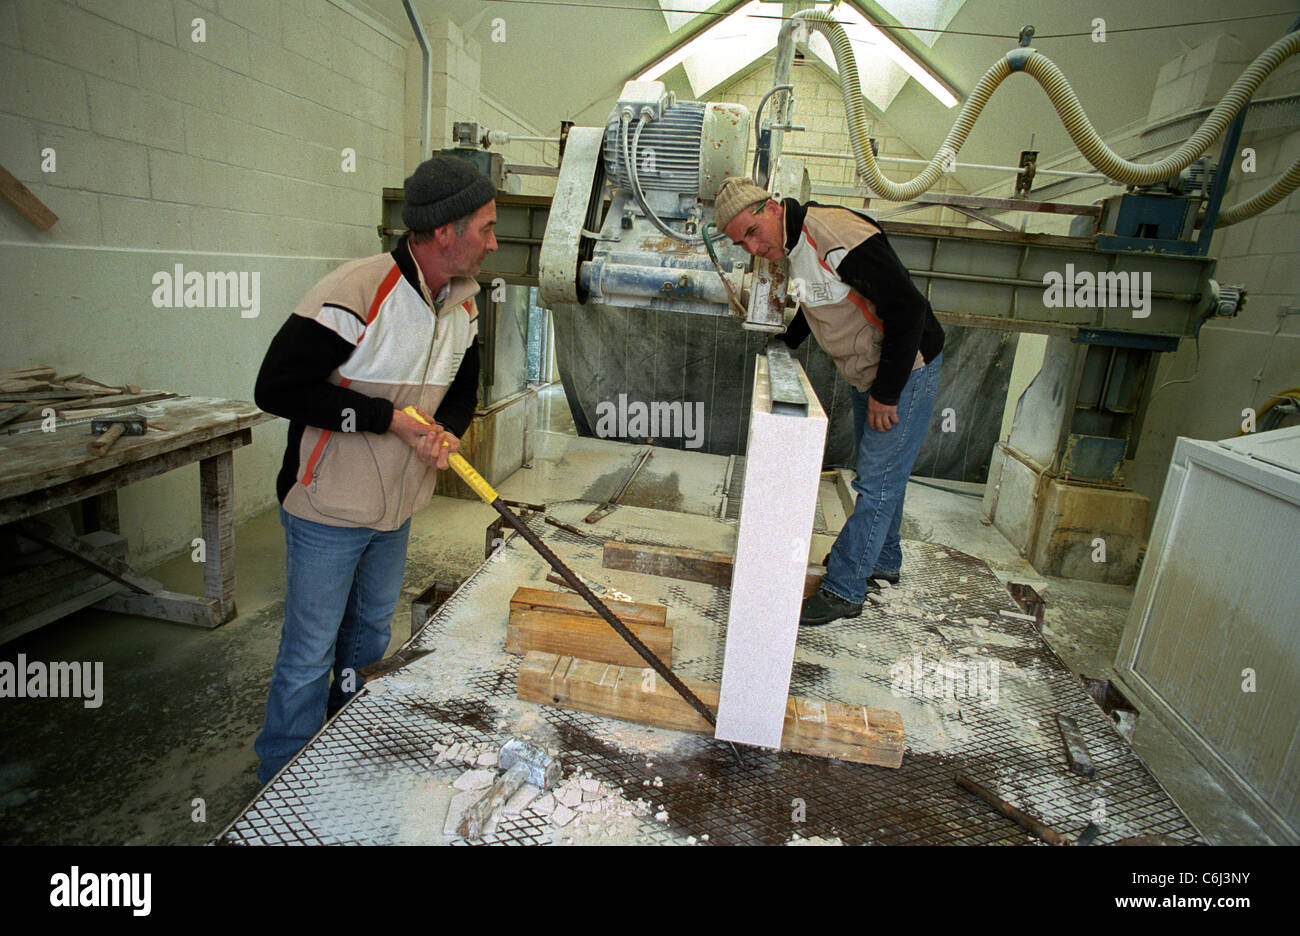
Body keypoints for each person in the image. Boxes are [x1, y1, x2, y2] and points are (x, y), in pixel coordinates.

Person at [251, 155, 497, 784]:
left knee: (366, 641)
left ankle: (336, 745)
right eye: (487, 228)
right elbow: (277, 388)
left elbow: (465, 389)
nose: (495, 242)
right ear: (445, 232)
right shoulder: (359, 291)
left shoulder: (465, 307)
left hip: (398, 507)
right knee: (309, 651)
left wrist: (451, 431)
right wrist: (387, 419)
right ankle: (284, 776)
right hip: (327, 508)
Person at [716, 177, 944, 626]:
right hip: (869, 370)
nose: (751, 248)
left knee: (876, 481)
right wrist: (787, 342)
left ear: (773, 208)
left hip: (904, 368)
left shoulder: (837, 235)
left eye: (752, 232)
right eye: (739, 242)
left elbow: (908, 309)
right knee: (884, 471)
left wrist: (887, 393)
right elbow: (813, 301)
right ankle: (885, 559)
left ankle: (844, 588)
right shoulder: (792, 247)